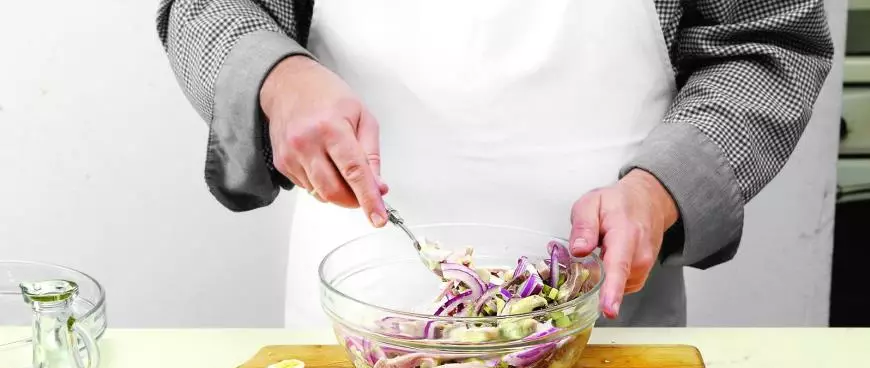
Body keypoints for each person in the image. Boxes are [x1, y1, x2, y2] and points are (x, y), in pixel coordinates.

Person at [156, 0, 833, 328]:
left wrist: (662, 190)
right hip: (355, 336)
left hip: (607, 334)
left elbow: (765, 44)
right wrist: (280, 79)